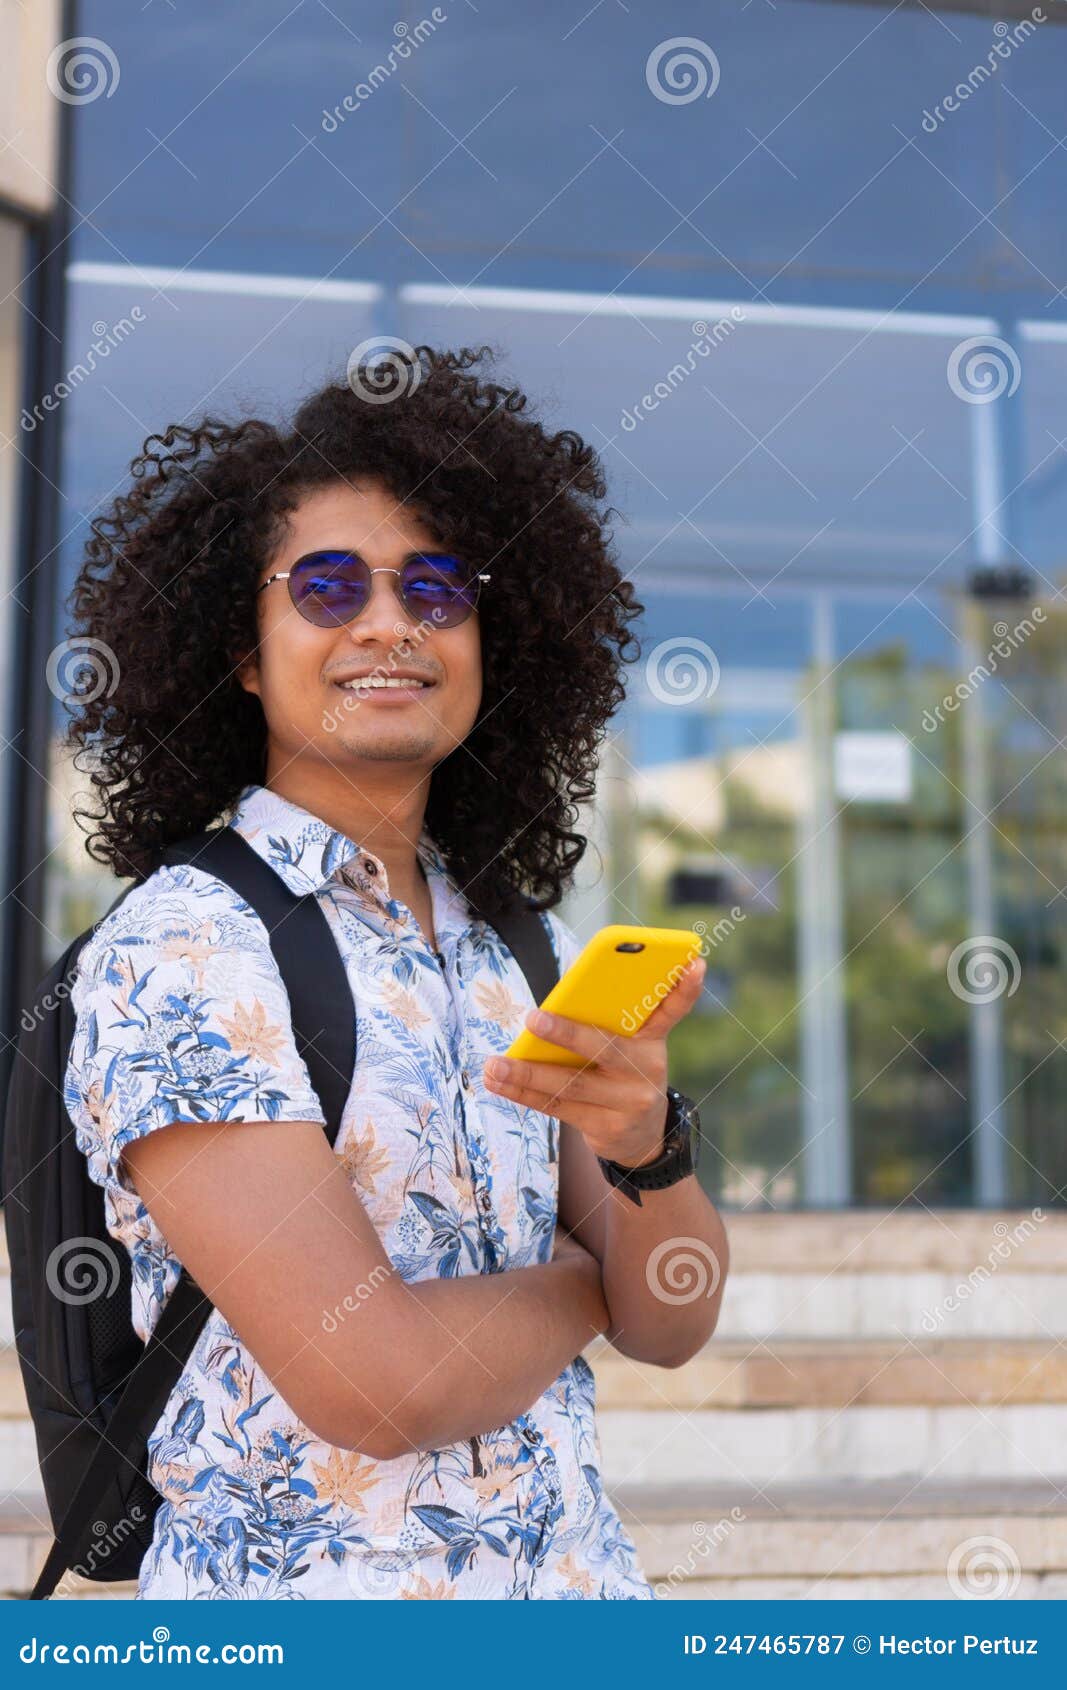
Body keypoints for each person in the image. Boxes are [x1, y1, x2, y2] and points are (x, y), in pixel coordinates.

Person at [61, 344, 728, 1599]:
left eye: (434, 588)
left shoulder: (506, 942)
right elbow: (376, 1378)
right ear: (244, 651)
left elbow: (678, 1314)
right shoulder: (183, 947)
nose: (385, 623)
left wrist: (647, 1143)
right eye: (325, 587)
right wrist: (592, 1285)